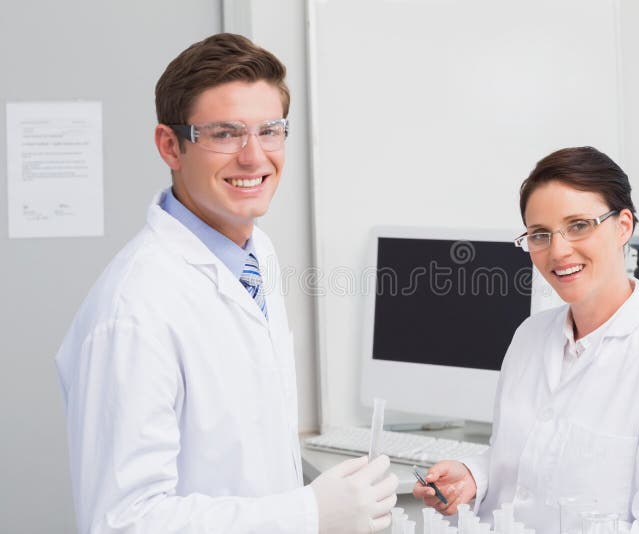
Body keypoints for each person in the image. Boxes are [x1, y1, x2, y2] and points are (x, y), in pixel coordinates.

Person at [56, 33, 397, 534]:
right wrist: (309, 514)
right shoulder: (132, 311)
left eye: (270, 130)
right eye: (224, 134)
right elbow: (122, 522)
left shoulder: (255, 252)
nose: (254, 157)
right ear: (170, 146)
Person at [412, 147, 639, 533]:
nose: (558, 251)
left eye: (579, 225)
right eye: (540, 235)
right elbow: (523, 460)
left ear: (623, 226)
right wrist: (476, 477)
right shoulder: (529, 338)